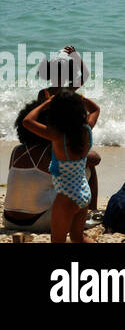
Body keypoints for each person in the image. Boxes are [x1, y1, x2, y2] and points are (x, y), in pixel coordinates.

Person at [21, 88, 101, 243]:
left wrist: (45, 104)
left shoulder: (58, 136)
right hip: (84, 193)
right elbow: (96, 109)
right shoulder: (86, 129)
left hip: (66, 197)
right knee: (78, 238)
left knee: (57, 241)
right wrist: (80, 98)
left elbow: (27, 121)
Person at [4, 97, 56, 233]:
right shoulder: (50, 151)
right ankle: (92, 211)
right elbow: (95, 159)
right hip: (39, 223)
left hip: (9, 221)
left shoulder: (16, 151)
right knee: (85, 168)